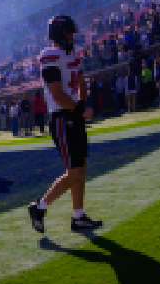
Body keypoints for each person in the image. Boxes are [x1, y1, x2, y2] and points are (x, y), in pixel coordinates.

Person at [27, 15, 103, 234]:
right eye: (69, 33)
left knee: (82, 169)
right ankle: (39, 207)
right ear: (60, 34)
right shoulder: (48, 56)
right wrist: (80, 109)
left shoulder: (72, 55)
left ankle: (78, 216)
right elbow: (57, 94)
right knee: (75, 172)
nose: (72, 37)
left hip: (74, 115)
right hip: (61, 117)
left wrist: (82, 102)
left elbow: (80, 81)